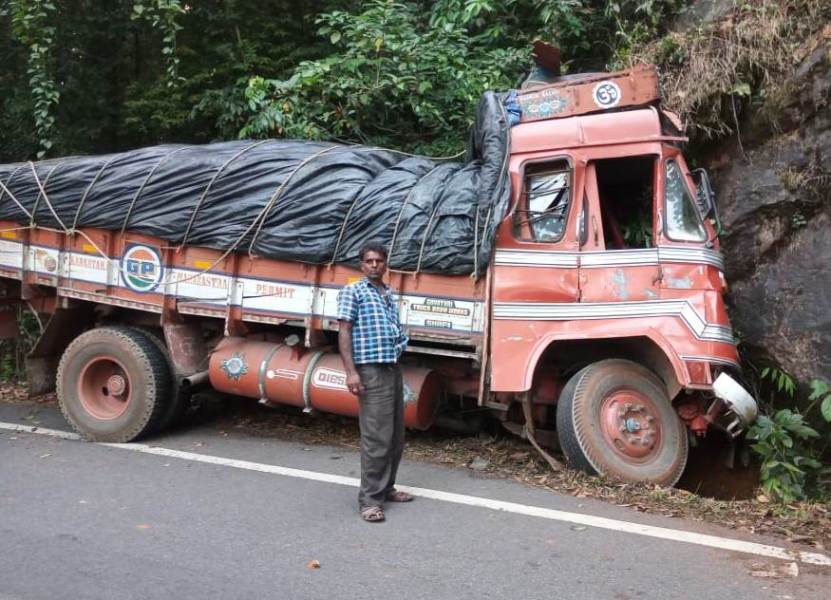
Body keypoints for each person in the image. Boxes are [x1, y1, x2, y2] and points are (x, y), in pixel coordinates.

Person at [337, 242, 413, 523]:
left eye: (379, 261)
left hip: (391, 368)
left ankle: (387, 488)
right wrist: (351, 372)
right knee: (376, 438)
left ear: (385, 264)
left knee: (395, 436)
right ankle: (369, 501)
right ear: (362, 264)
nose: (374, 265)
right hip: (370, 371)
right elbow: (344, 331)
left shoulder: (387, 293)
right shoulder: (354, 291)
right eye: (369, 261)